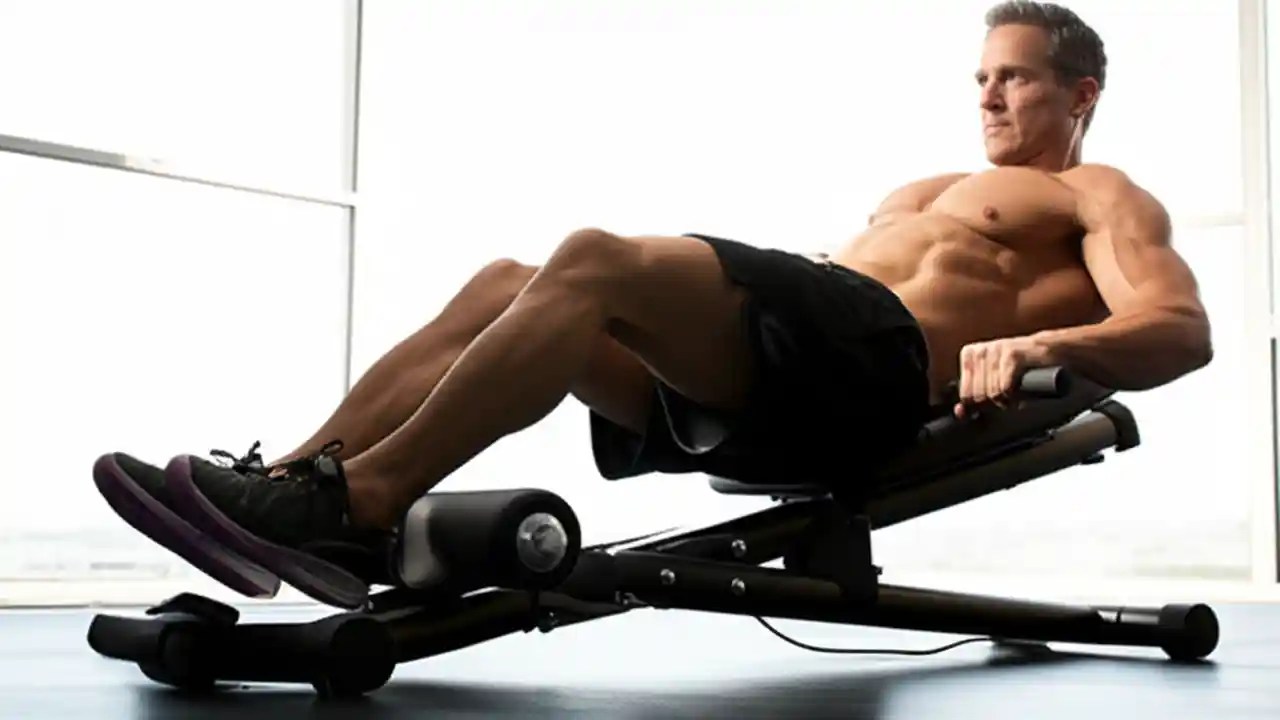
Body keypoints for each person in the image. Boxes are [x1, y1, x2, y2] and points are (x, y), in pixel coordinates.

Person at [93, 0, 1213, 608]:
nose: (988, 96)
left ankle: (366, 499)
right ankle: (295, 483)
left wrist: (1037, 343)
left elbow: (1179, 331)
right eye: (979, 77)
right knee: (510, 280)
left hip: (864, 372)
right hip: (789, 367)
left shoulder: (1097, 195)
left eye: (1014, 77)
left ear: (1080, 93)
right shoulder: (924, 189)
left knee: (591, 257)